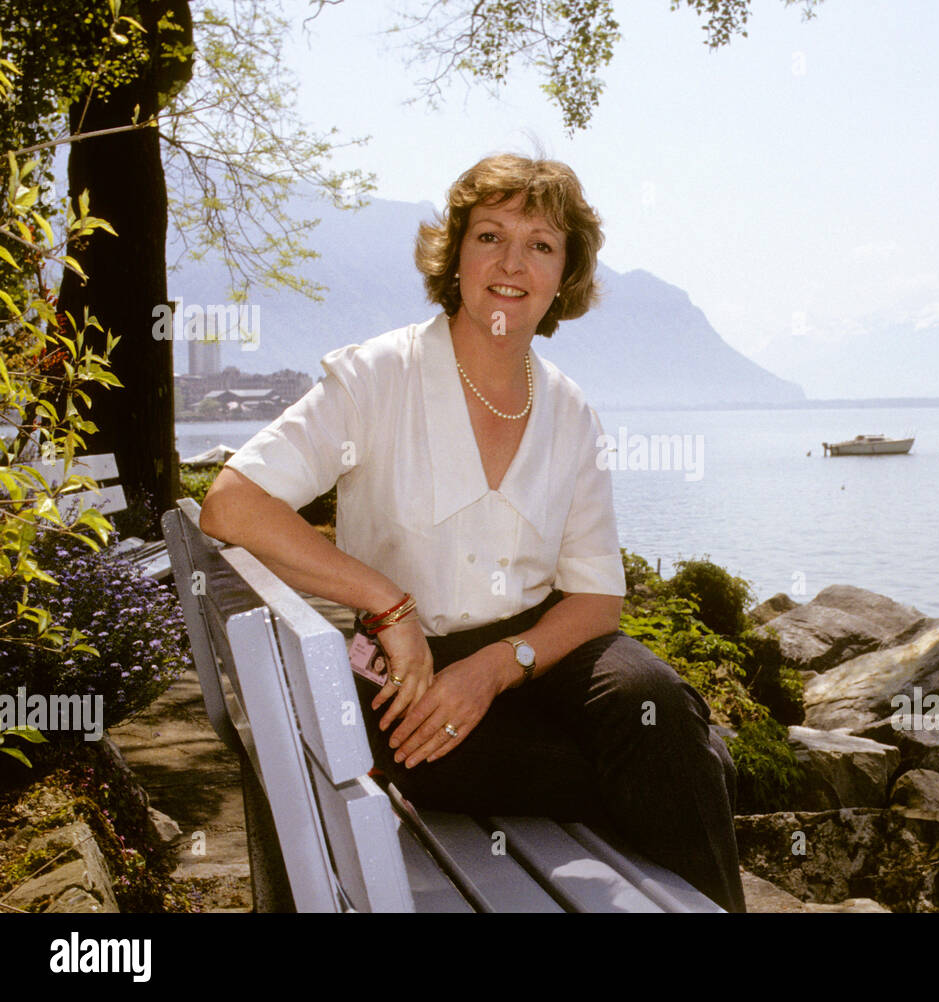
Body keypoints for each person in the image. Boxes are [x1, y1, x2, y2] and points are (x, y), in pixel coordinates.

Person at [198, 153, 746, 913]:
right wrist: (388, 605)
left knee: (650, 698)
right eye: (490, 235)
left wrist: (493, 668)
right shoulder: (376, 377)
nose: (512, 263)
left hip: (529, 661)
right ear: (454, 255)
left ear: (565, 277)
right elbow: (233, 503)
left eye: (541, 245)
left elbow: (594, 604)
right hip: (405, 676)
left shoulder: (570, 410)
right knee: (686, 763)